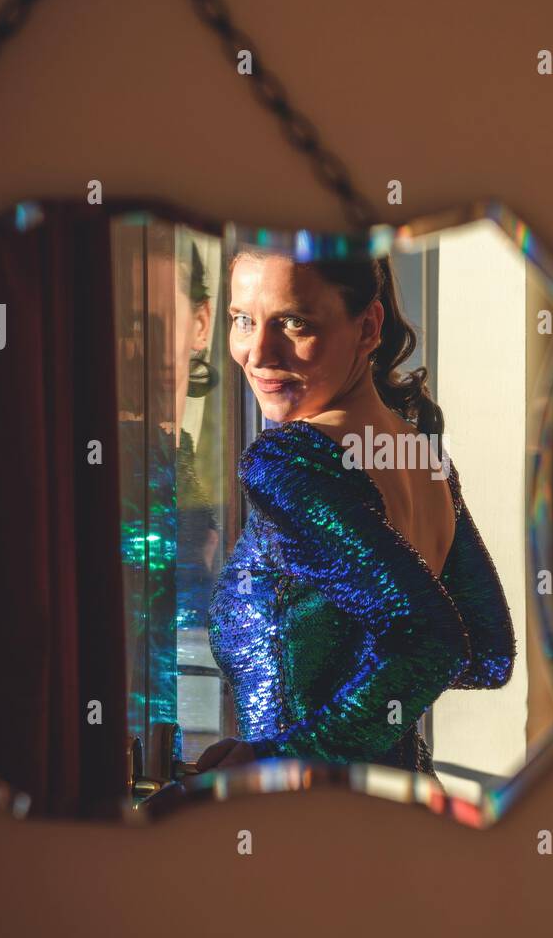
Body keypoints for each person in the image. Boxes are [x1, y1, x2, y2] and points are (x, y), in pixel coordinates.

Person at [199, 249, 515, 783]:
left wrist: (279, 757)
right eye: (243, 321)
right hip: (401, 806)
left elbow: (436, 645)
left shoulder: (290, 461)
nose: (258, 353)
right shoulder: (423, 456)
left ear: (368, 326)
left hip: (312, 825)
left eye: (294, 322)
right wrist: (305, 730)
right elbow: (486, 653)